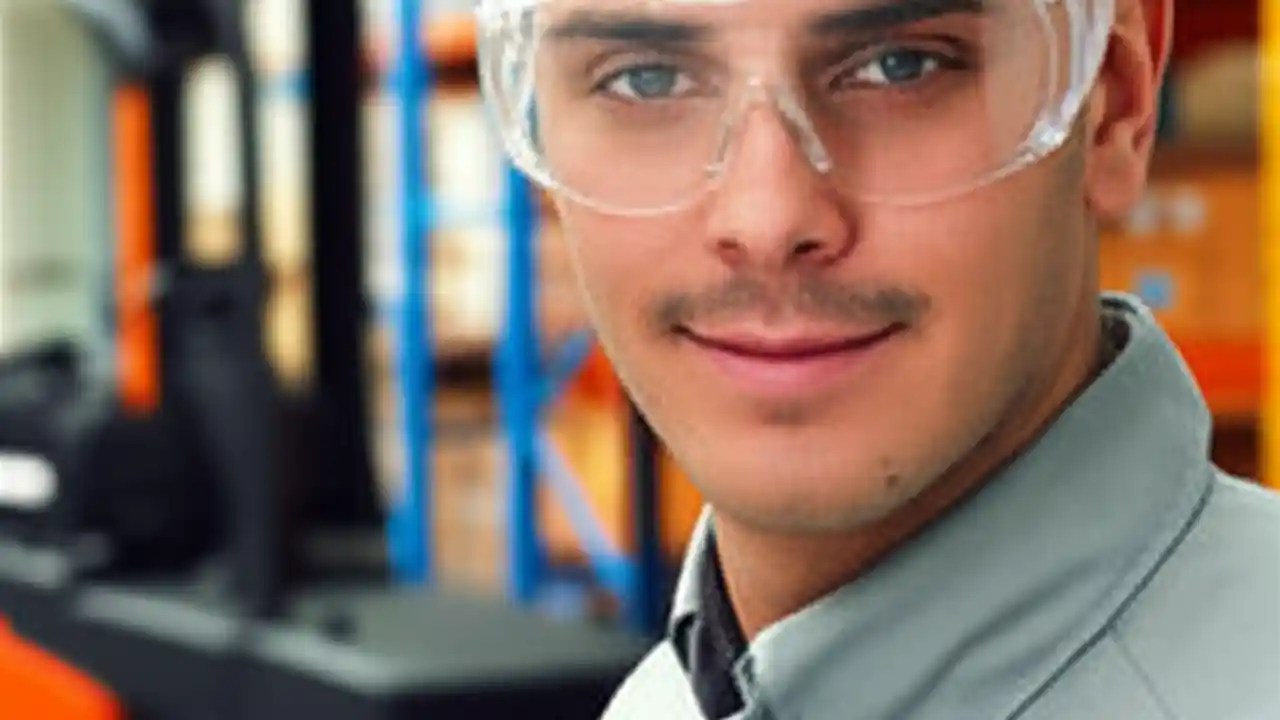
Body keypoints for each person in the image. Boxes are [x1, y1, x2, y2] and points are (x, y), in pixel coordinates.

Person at [476, 0, 1280, 717]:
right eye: (644, 80)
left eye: (900, 68)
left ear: (1113, 101)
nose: (766, 218)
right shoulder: (669, 699)